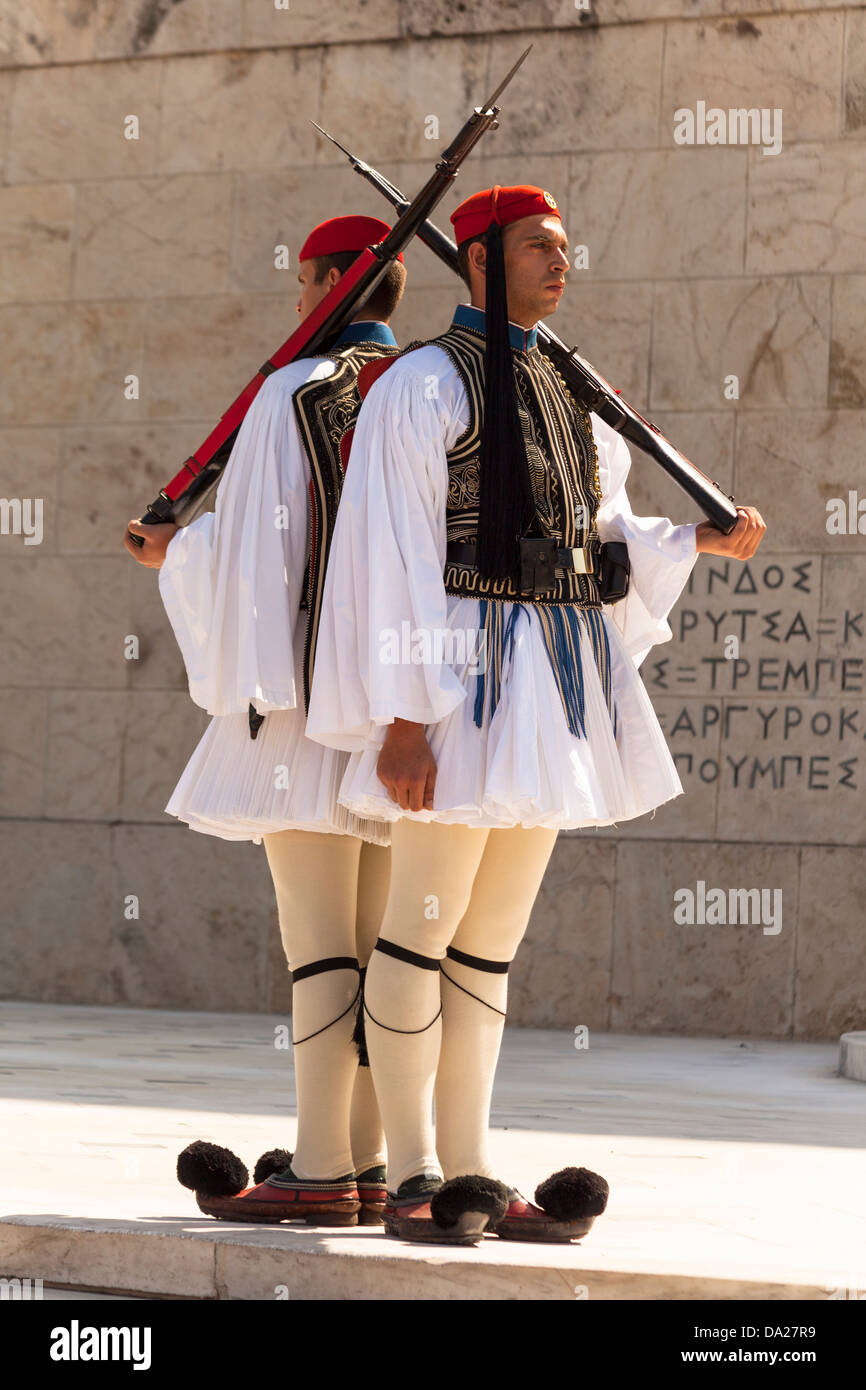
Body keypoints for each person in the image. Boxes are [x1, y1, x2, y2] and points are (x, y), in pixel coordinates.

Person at [305, 185, 767, 1244]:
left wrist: (687, 543)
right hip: (456, 683)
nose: (560, 264)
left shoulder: (568, 383)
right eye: (534, 249)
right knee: (420, 929)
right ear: (476, 260)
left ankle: (471, 1165)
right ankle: (412, 1174)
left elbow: (599, 534)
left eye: (563, 248)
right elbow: (391, 553)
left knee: (488, 947)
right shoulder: (421, 385)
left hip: (552, 683)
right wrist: (406, 713)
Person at [124, 216, 408, 1225]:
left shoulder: (293, 395)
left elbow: (251, 568)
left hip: (298, 699)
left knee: (319, 943)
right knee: (381, 945)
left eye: (305, 283)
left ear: (326, 286)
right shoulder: (425, 388)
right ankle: (370, 1158)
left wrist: (173, 553)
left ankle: (322, 1166)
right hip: (403, 706)